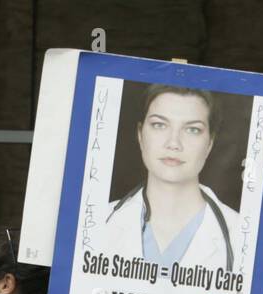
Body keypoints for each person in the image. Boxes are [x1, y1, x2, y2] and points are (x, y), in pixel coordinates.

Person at [94, 84, 240, 274]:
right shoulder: (97, 223)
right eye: (159, 125)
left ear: (210, 143)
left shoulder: (241, 234)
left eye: (193, 129)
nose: (173, 143)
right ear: (140, 135)